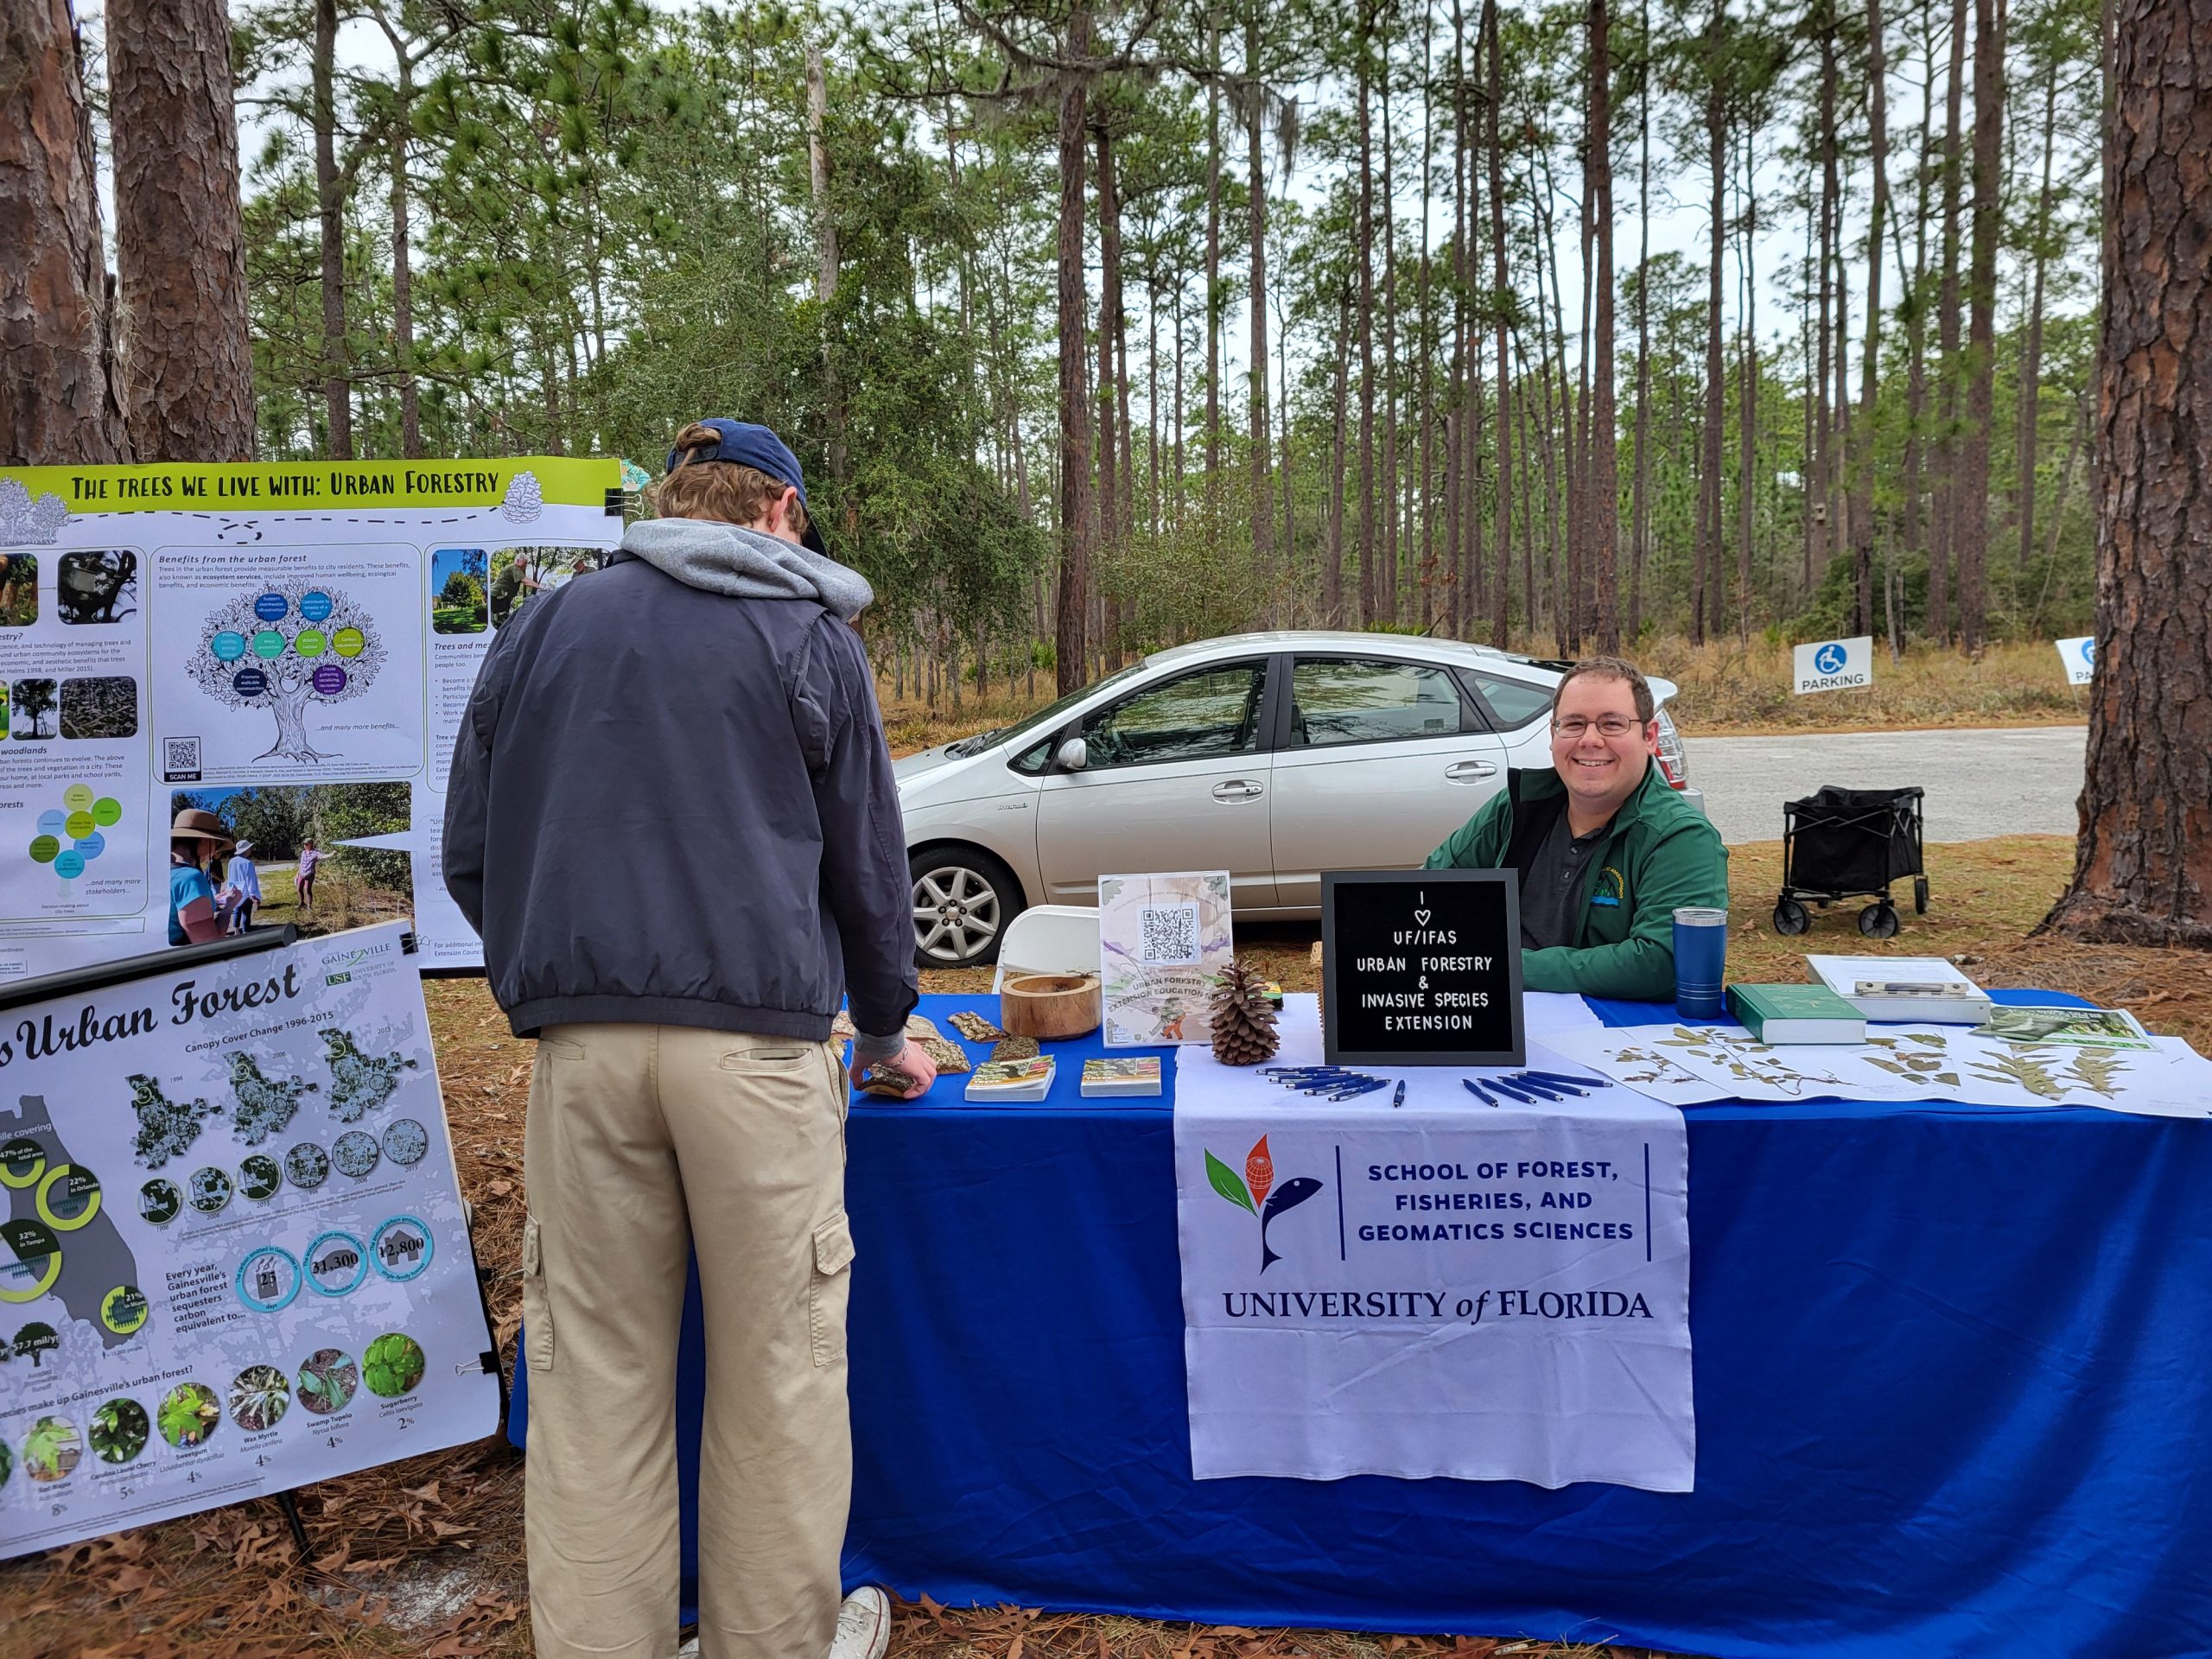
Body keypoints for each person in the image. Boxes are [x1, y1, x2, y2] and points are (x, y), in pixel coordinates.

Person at [444, 417, 932, 1659]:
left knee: (593, 1381)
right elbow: (872, 869)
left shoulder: (544, 624)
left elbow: (470, 853)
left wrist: (549, 980)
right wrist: (885, 1028)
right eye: (803, 524)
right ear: (777, 512)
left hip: (582, 1056)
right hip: (761, 1061)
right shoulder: (807, 633)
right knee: (778, 1378)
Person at [1425, 656, 1728, 1001]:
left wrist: (1499, 965)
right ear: (1553, 734)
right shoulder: (1517, 806)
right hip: (1497, 1016)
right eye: (1573, 724)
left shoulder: (1681, 837)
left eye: (1612, 724)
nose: (1590, 740)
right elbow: (1423, 894)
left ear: (1649, 736)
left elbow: (1662, 963)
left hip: (1619, 1038)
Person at [168, 810, 232, 945]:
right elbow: (209, 942)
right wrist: (229, 907)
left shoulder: (164, 871)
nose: (216, 851)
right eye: (217, 844)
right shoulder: (190, 877)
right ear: (204, 840)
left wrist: (211, 900)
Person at [222, 839, 264, 932]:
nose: (251, 850)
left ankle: (236, 930)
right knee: (246, 913)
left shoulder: (231, 861)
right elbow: (251, 880)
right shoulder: (248, 863)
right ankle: (245, 932)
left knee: (237, 909)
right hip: (245, 893)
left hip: (235, 891)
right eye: (249, 848)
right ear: (246, 850)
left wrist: (229, 889)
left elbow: (230, 876)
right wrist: (253, 894)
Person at [295, 838, 322, 911]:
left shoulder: (315, 853)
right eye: (304, 844)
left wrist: (332, 854)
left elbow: (323, 856)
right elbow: (301, 863)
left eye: (306, 844)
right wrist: (298, 873)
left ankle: (309, 906)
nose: (305, 845)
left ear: (311, 844)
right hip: (301, 873)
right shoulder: (303, 852)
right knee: (299, 888)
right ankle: (301, 903)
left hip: (309, 874)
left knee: (307, 889)